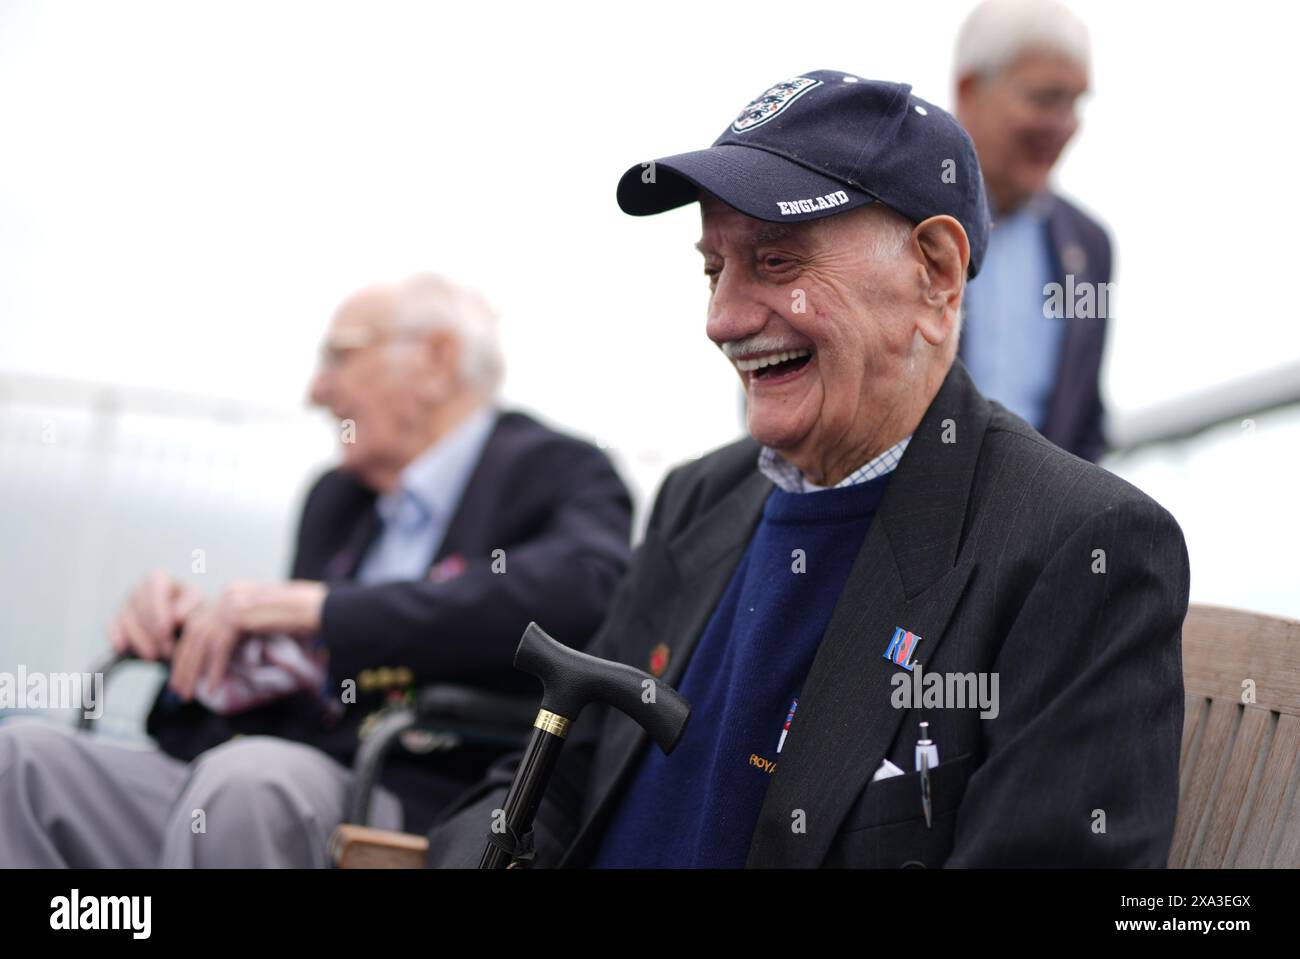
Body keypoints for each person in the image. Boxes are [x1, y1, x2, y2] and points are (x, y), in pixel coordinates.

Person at [424, 71, 1188, 868]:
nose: (721, 319)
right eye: (714, 268)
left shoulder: (1079, 546)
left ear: (934, 273)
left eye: (778, 260)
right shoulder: (698, 497)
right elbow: (549, 775)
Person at [0, 272, 633, 867]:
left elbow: (580, 591)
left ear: (436, 361)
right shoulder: (337, 497)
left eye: (339, 356)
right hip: (261, 781)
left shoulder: (560, 470)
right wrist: (198, 636)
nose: (316, 391)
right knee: (24, 760)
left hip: (411, 795)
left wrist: (322, 612)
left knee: (249, 785)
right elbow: (297, 669)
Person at [954, 0, 1111, 462]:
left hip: (1040, 506)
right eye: (1045, 99)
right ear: (969, 91)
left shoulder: (1090, 249)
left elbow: (1085, 414)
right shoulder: (899, 221)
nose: (1062, 125)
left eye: (1074, 102)